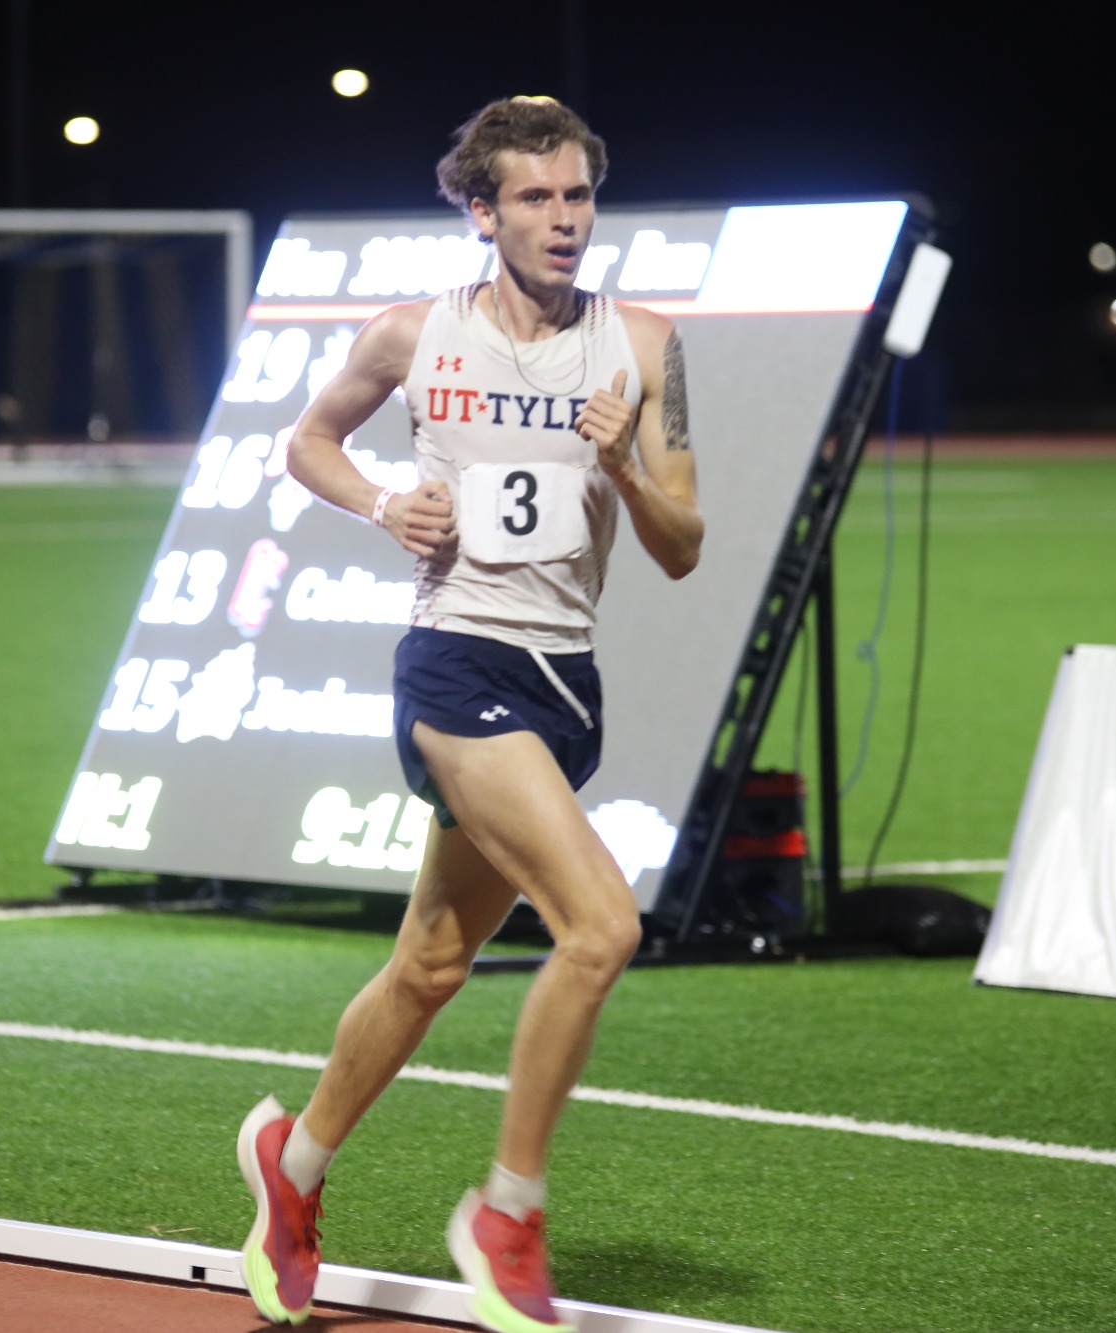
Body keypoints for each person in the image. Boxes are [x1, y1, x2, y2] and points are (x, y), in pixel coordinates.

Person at [236, 97, 702, 1333]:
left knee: (432, 963)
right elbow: (308, 442)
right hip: (454, 665)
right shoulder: (411, 332)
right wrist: (384, 503)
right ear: (482, 213)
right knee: (599, 928)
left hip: (564, 682)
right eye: (535, 197)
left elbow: (682, 544)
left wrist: (622, 465)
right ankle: (506, 1212)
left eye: (577, 194)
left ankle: (290, 1165)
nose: (563, 218)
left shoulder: (645, 346)